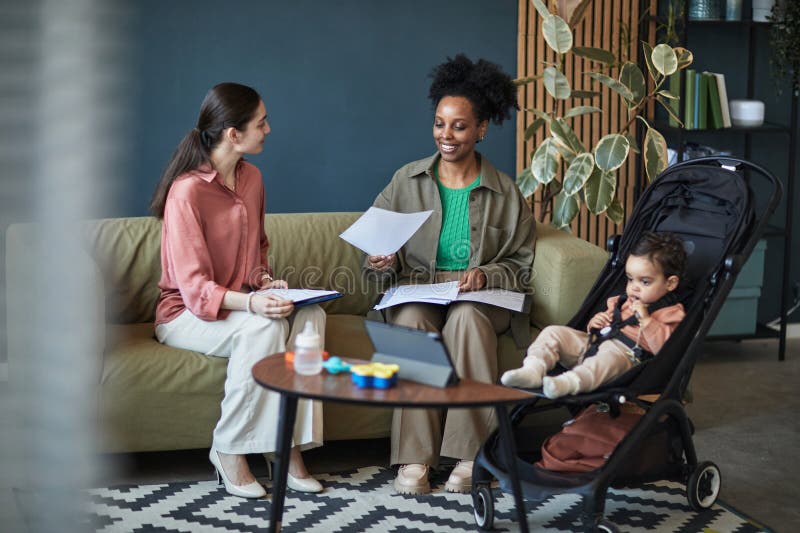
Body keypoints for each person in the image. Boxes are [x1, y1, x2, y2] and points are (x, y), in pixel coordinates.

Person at [365, 54, 535, 495]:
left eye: (459, 126)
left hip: (482, 296)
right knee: (410, 321)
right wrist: (382, 259)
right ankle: (416, 459)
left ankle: (469, 455)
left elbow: (520, 263)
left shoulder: (505, 192)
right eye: (440, 123)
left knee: (466, 319)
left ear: (481, 129)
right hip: (423, 289)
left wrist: (486, 274)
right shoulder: (407, 181)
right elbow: (377, 244)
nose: (447, 134)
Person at [151, 82, 325, 498]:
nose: (268, 129)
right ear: (234, 134)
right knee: (262, 328)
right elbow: (194, 290)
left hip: (239, 305)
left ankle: (286, 446)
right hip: (185, 315)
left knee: (312, 318)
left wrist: (264, 281)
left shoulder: (252, 179)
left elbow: (257, 250)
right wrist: (252, 302)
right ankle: (228, 449)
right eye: (261, 123)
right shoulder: (187, 192)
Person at [501, 231, 687, 399]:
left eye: (645, 282)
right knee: (553, 332)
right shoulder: (620, 302)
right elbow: (600, 327)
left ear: (670, 284)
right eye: (630, 279)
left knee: (608, 358)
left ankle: (568, 383)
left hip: (625, 358)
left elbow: (667, 350)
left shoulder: (671, 313)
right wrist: (595, 323)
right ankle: (533, 370)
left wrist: (647, 321)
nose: (634, 287)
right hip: (592, 345)